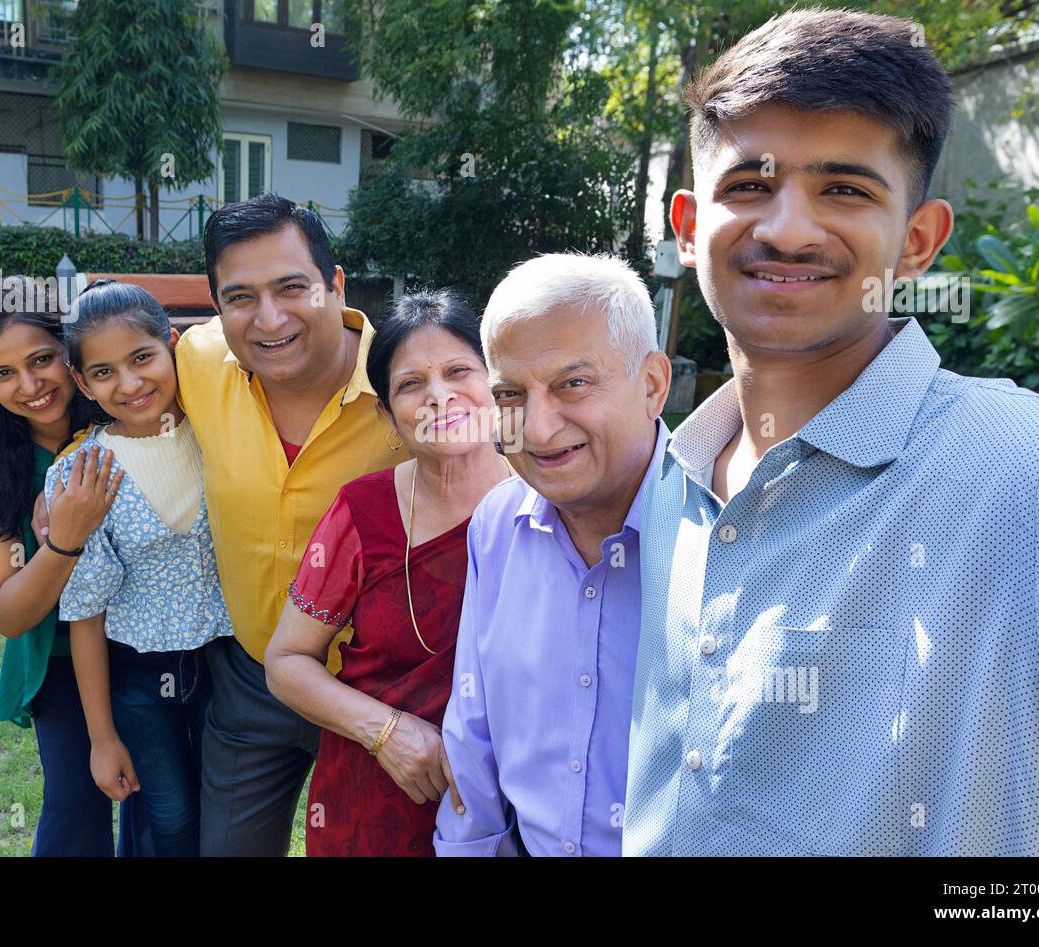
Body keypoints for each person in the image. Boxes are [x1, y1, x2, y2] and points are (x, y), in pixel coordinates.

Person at [624, 8, 1039, 856]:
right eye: (749, 185)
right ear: (688, 225)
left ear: (918, 241)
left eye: (844, 189)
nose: (786, 228)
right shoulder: (675, 477)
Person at [176, 194, 412, 856]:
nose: (269, 318)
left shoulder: (410, 382)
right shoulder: (197, 361)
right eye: (240, 297)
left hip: (384, 691)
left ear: (335, 285)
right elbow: (109, 388)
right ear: (217, 307)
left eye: (291, 287)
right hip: (251, 682)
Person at [434, 253, 672, 856]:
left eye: (572, 383)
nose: (537, 429)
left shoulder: (725, 532)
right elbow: (473, 729)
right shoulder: (496, 526)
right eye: (510, 394)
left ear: (652, 385)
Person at [264, 290, 512, 856]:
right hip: (374, 796)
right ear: (387, 414)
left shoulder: (547, 505)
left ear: (495, 385)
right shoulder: (362, 510)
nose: (439, 396)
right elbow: (286, 662)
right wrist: (387, 733)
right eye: (410, 384)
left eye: (458, 371)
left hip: (511, 798)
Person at [0, 276, 154, 856]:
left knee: (161, 802)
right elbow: (9, 613)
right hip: (60, 655)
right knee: (76, 805)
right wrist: (65, 540)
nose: (29, 386)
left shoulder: (127, 405)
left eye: (43, 360)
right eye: (2, 374)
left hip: (161, 638)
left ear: (73, 353)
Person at [43, 280, 233, 857]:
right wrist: (102, 739)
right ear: (81, 382)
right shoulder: (82, 474)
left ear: (173, 346)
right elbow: (84, 616)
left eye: (143, 358)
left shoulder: (221, 433)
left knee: (227, 812)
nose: (129, 384)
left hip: (229, 664)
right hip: (141, 681)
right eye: (102, 372)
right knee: (170, 817)